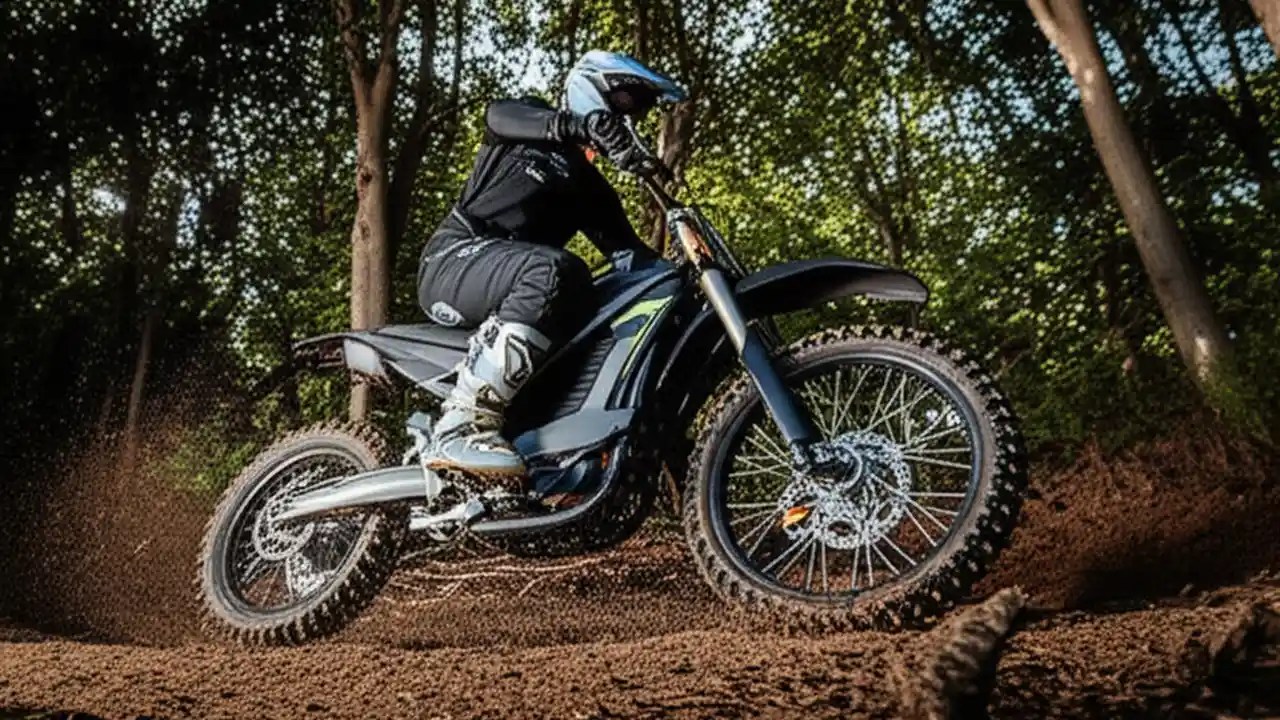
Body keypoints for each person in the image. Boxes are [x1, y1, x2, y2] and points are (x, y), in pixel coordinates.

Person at [417, 50, 687, 484]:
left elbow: (636, 262)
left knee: (620, 295)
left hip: (517, 286)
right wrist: (575, 126)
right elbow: (496, 115)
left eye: (640, 110)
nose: (631, 116)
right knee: (558, 269)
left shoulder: (592, 191)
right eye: (624, 101)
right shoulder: (529, 123)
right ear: (591, 88)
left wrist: (687, 279)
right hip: (454, 258)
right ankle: (460, 425)